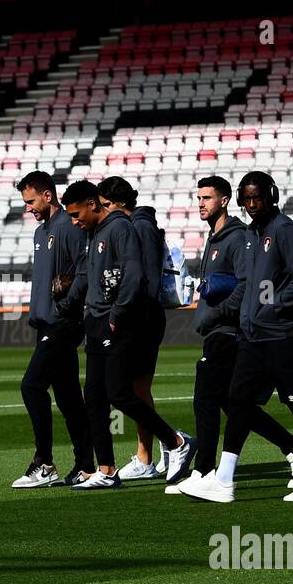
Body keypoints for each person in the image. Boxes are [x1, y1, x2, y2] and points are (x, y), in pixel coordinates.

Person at [178, 171, 293, 503]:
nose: (252, 205)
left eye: (257, 198)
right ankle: (224, 481)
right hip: (253, 335)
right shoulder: (251, 234)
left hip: (284, 334)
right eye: (247, 199)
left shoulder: (284, 230)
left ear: (271, 195)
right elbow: (249, 283)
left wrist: (273, 305)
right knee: (237, 402)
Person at [56, 180, 193, 490]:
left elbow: (134, 274)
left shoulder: (121, 228)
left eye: (77, 215)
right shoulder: (94, 232)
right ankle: (106, 469)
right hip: (95, 320)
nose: (75, 222)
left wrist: (117, 313)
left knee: (120, 393)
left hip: (116, 322)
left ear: (93, 204)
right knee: (93, 396)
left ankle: (176, 440)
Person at [12, 171, 93, 488]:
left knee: (31, 387)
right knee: (69, 396)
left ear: (48, 195)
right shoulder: (40, 232)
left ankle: (44, 462)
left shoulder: (68, 227)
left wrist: (67, 305)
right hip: (45, 322)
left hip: (62, 323)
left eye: (31, 201)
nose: (28, 208)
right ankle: (86, 465)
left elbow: (85, 271)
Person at [95, 176, 172, 481]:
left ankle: (155, 451)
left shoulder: (139, 227)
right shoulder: (136, 226)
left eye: (106, 205)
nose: (103, 211)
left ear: (120, 203)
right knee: (137, 389)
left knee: (130, 389)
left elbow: (147, 278)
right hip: (142, 316)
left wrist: (132, 313)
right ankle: (151, 453)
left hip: (142, 318)